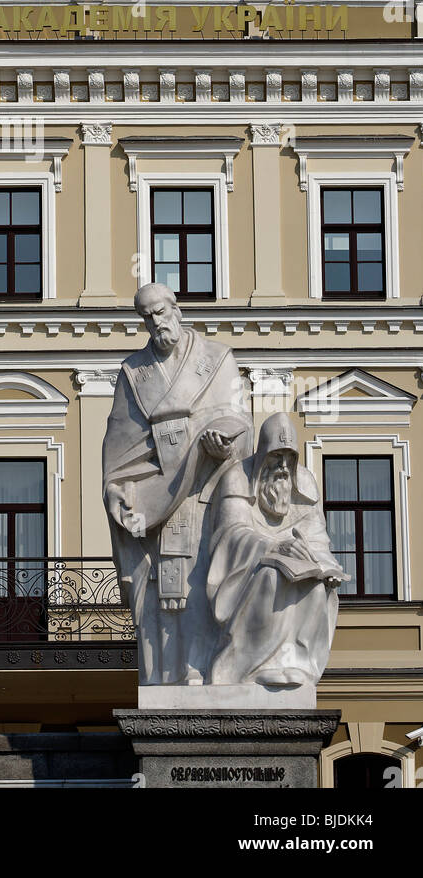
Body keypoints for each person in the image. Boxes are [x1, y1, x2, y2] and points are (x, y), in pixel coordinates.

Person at [103, 282, 252, 685]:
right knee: (171, 586)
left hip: (214, 490)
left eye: (161, 312)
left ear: (177, 309)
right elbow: (120, 448)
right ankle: (174, 671)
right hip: (160, 498)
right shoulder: (134, 373)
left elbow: (241, 424)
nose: (156, 322)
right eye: (147, 316)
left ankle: (207, 666)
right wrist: (119, 490)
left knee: (208, 579)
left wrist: (222, 443)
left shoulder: (218, 359)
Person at [207, 412, 345, 687]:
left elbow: (317, 539)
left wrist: (327, 566)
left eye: (289, 458)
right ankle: (253, 664)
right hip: (250, 570)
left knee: (316, 586)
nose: (283, 467)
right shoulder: (237, 477)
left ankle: (297, 664)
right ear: (262, 456)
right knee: (271, 577)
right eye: (275, 457)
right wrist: (273, 547)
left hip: (295, 564)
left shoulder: (304, 483)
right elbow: (231, 534)